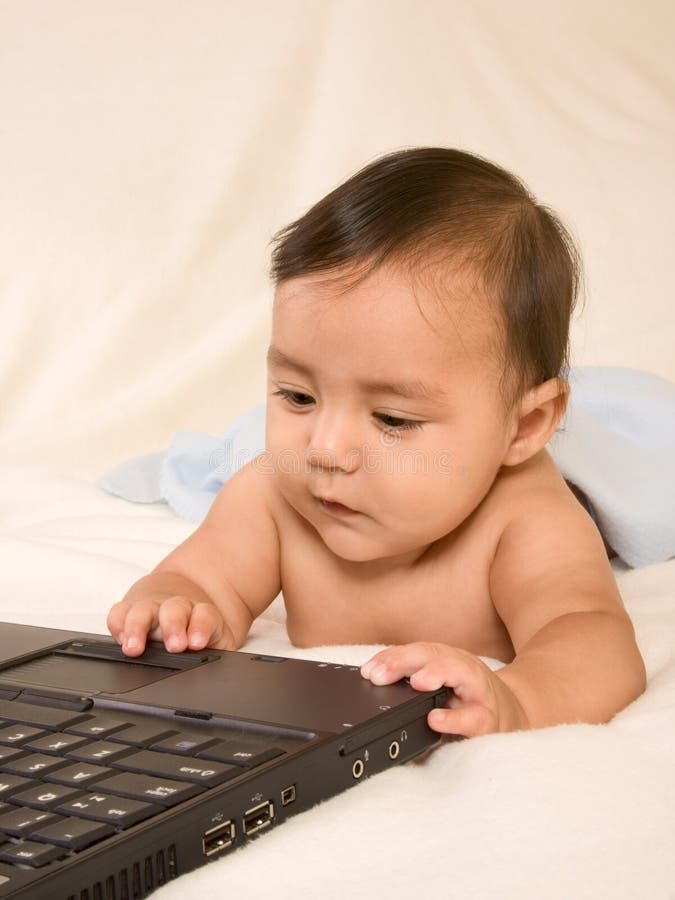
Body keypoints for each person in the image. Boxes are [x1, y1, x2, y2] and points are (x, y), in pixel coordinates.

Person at [107, 147, 646, 737]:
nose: (325, 450)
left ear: (522, 427)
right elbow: (198, 579)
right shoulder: (274, 498)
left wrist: (518, 699)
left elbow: (594, 637)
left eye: (391, 418)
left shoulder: (523, 518)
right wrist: (176, 607)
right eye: (298, 396)